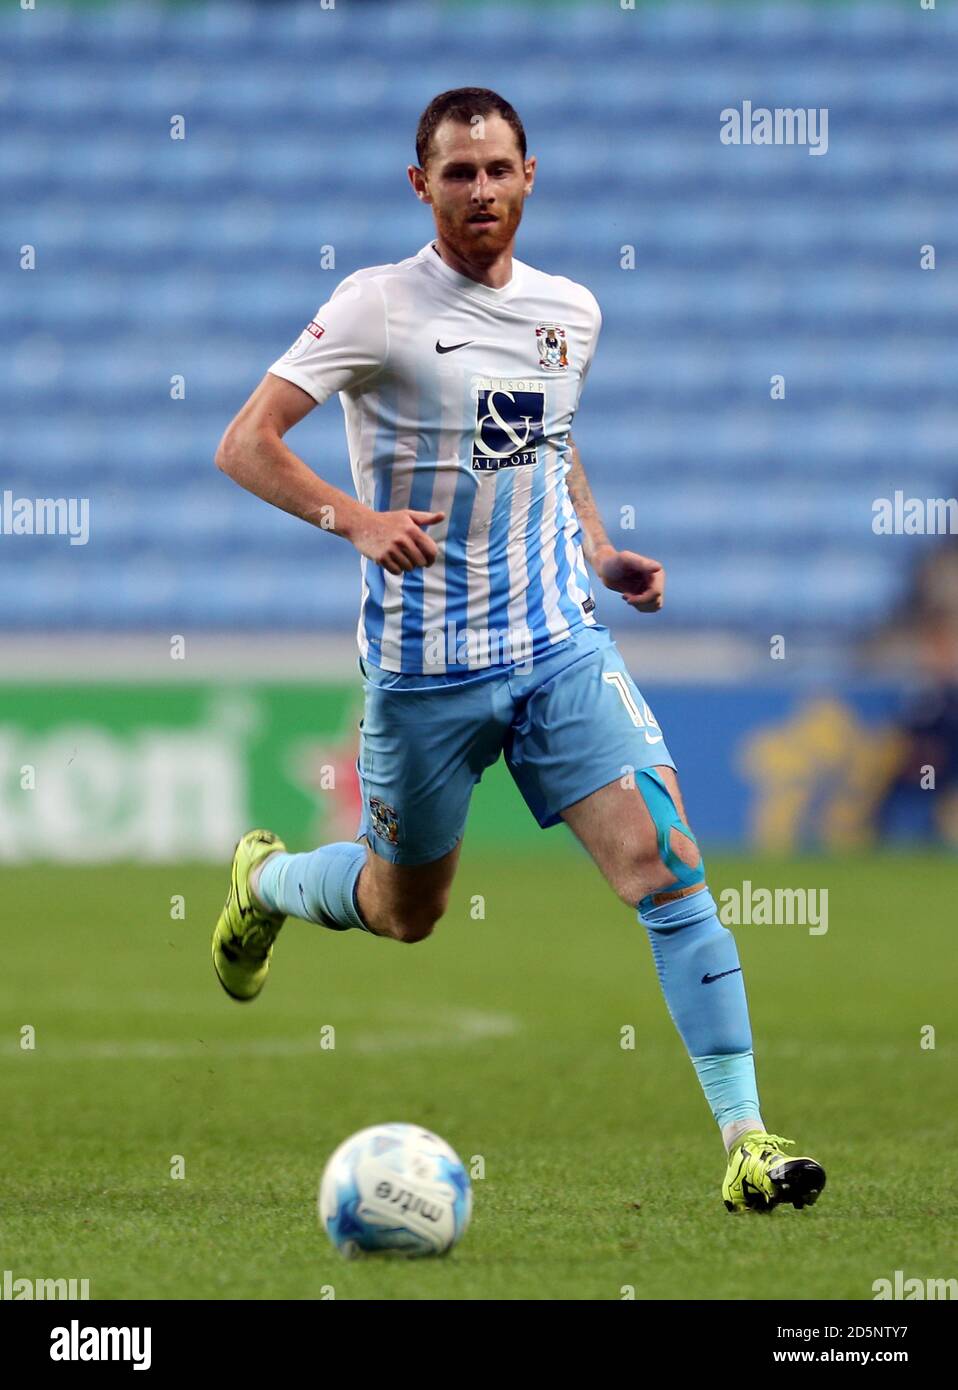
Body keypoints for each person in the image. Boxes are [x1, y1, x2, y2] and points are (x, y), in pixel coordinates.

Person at [211, 87, 825, 1213]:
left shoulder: (569, 311)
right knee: (407, 912)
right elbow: (243, 444)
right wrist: (354, 518)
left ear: (530, 176)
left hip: (555, 649)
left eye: (498, 169)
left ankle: (747, 1140)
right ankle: (267, 881)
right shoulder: (377, 306)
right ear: (421, 186)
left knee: (667, 864)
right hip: (424, 671)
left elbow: (546, 439)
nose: (481, 190)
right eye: (458, 173)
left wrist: (593, 546)